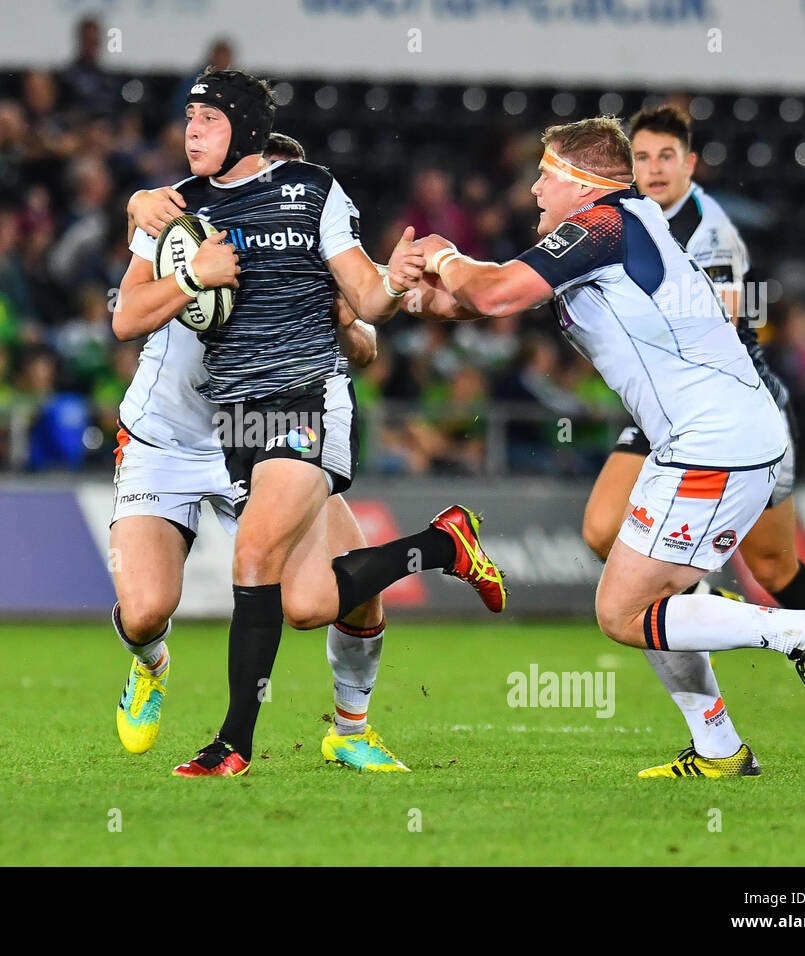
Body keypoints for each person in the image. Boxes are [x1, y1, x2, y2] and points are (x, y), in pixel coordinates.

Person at [413, 116, 805, 776]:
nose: (534, 187)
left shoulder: (603, 226)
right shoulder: (612, 232)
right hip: (707, 439)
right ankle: (719, 750)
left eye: (546, 173)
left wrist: (445, 256)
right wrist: (413, 288)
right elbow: (481, 301)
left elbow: (497, 289)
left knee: (622, 613)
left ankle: (804, 632)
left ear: (583, 180)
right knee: (658, 604)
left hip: (713, 443)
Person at [114, 70, 509, 776]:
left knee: (258, 561)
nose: (191, 130)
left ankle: (247, 742)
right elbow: (123, 318)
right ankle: (443, 546)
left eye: (208, 118)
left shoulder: (315, 202)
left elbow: (366, 311)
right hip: (187, 430)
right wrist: (187, 267)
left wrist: (387, 292)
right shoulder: (177, 216)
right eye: (189, 119)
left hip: (295, 403)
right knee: (294, 604)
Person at [114, 132, 408, 773]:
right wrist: (138, 205)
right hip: (166, 436)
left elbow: (364, 348)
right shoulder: (190, 222)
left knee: (336, 592)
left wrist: (344, 319)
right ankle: (150, 663)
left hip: (263, 433)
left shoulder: (308, 252)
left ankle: (351, 728)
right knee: (143, 613)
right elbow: (135, 267)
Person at [580, 105, 805, 733]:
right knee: (603, 529)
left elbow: (710, 326)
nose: (654, 169)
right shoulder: (628, 220)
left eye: (667, 157)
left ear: (690, 165)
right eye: (642, 157)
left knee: (774, 568)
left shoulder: (710, 233)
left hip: (735, 405)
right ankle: (709, 611)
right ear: (626, 165)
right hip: (672, 411)